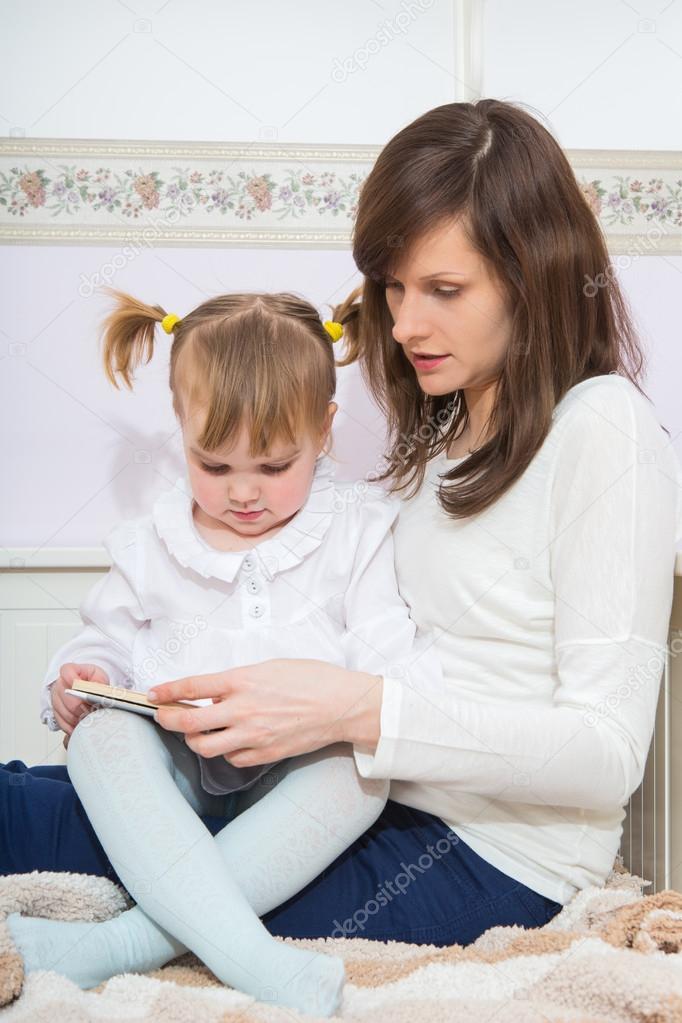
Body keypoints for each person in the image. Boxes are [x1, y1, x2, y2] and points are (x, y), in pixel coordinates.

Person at [2, 95, 680, 977]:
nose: (403, 326)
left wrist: (350, 708)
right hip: (374, 791)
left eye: (444, 290)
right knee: (50, 782)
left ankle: (114, 947)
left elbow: (605, 755)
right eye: (393, 288)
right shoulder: (451, 433)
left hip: (486, 858)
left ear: (537, 274)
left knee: (42, 826)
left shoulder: (602, 427)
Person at [5, 287, 451, 1017]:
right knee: (100, 736)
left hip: (295, 777)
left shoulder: (356, 532)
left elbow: (391, 665)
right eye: (213, 465)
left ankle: (118, 947)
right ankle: (246, 952)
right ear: (181, 430)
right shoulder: (153, 541)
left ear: (324, 430)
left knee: (362, 773)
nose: (243, 493)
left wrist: (360, 703)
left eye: (275, 467)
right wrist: (82, 678)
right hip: (180, 764)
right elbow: (103, 638)